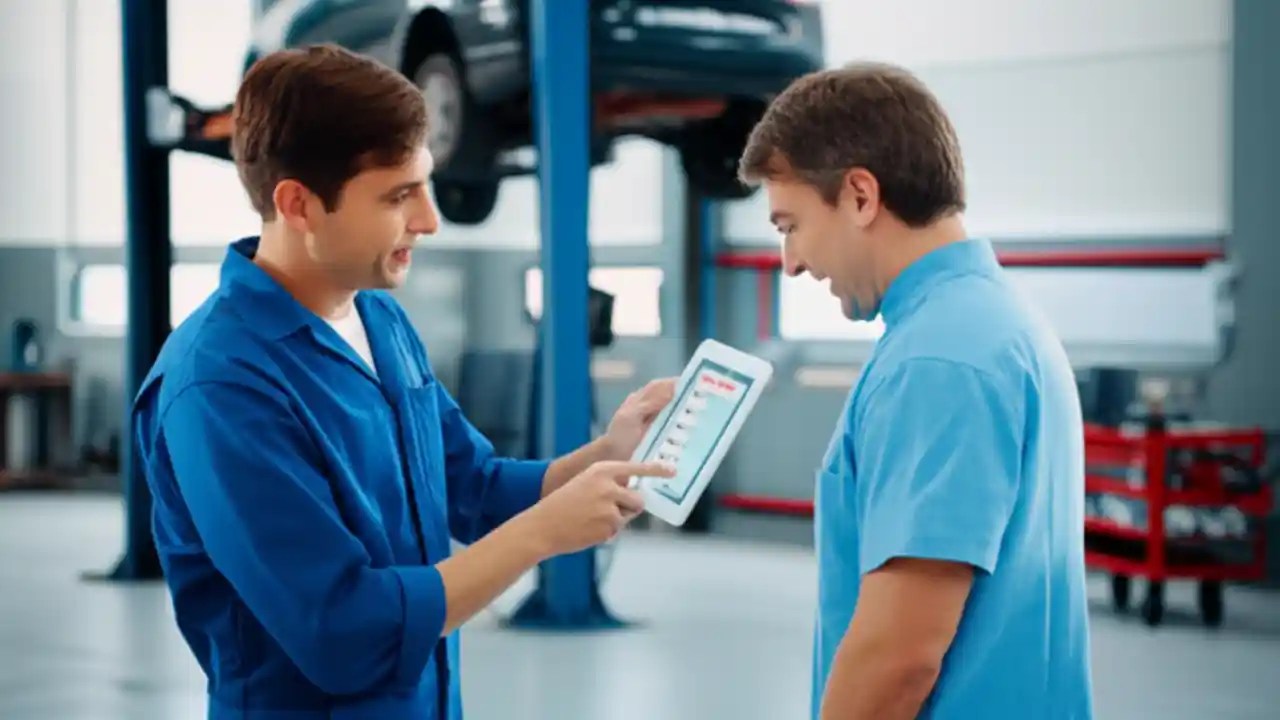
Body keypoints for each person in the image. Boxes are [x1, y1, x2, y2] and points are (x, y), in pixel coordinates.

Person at [132, 45, 675, 720]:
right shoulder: (218, 387)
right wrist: (542, 536)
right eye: (398, 195)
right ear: (298, 204)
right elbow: (343, 633)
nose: (429, 219)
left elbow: (469, 484)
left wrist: (603, 459)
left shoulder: (379, 319)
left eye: (424, 185)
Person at [737, 63, 1094, 719]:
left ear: (860, 197)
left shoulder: (938, 360)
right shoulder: (991, 321)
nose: (789, 261)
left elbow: (898, 657)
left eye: (790, 226)